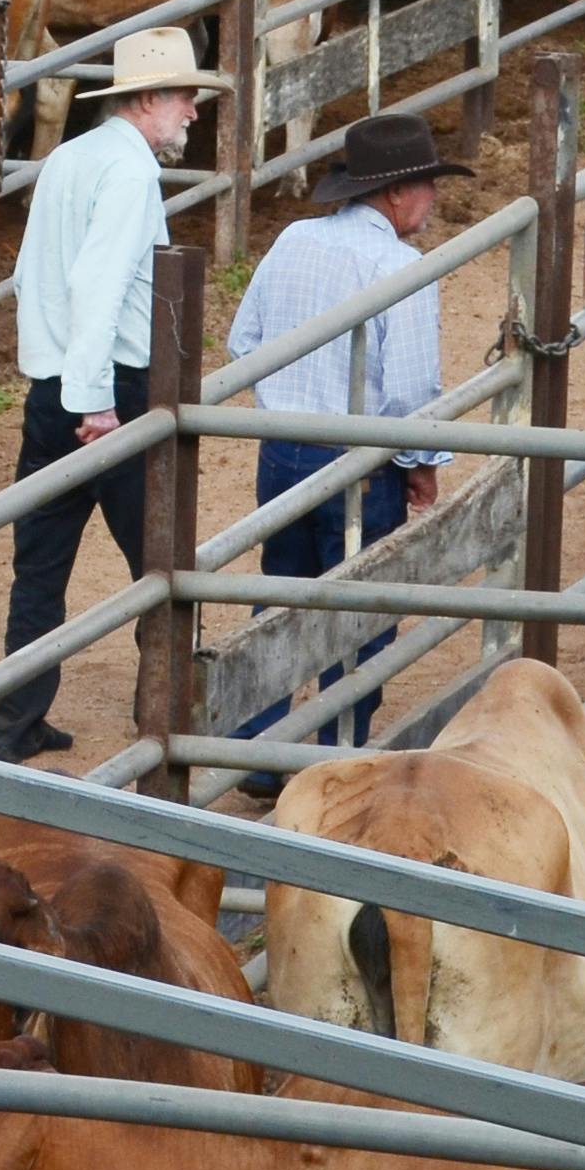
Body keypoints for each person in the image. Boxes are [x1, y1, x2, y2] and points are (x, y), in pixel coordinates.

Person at [0, 28, 219, 761]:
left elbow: (32, 275)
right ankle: (165, 716)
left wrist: (60, 383)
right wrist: (96, 402)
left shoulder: (68, 158)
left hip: (50, 383)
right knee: (160, 555)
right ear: (149, 99)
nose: (193, 111)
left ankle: (18, 723)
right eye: (184, 97)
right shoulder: (129, 177)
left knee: (42, 562)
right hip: (109, 387)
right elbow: (98, 284)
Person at [224, 108, 453, 745]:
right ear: (398, 192)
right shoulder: (402, 267)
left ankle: (258, 748)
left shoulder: (295, 240)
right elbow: (409, 390)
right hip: (357, 463)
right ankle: (335, 754)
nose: (434, 198)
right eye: (429, 184)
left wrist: (284, 400)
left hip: (284, 450)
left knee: (283, 597)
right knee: (358, 613)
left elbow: (245, 340)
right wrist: (422, 468)